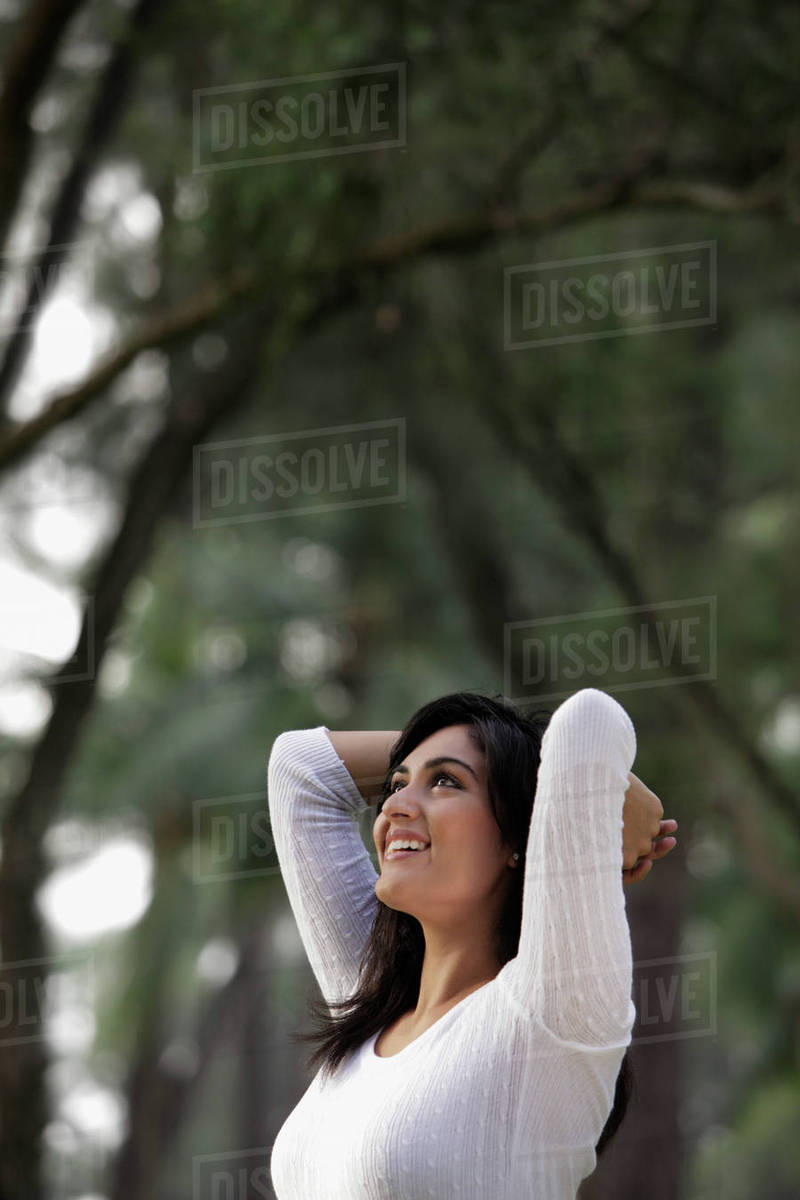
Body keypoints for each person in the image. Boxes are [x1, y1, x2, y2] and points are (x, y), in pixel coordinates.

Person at [267, 686, 677, 1198]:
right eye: (396, 783)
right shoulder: (370, 1003)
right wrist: (497, 754)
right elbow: (299, 767)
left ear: (517, 838)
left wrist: (568, 776)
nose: (395, 805)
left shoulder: (548, 1012)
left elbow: (587, 724)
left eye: (444, 782)